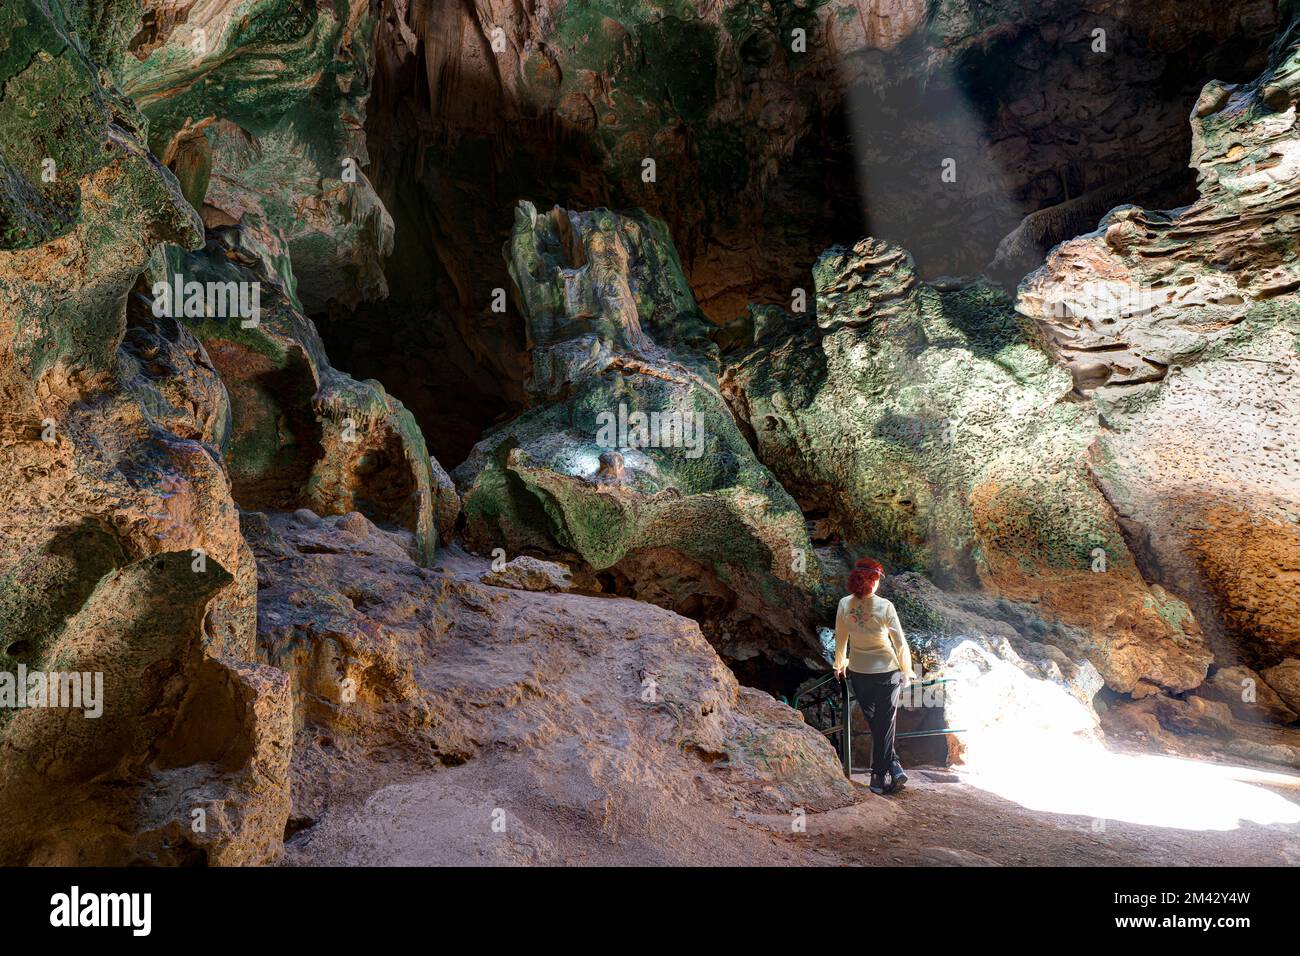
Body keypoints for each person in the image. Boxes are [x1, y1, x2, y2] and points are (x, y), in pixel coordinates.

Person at [833, 558, 915, 795]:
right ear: (874, 581)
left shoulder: (844, 605)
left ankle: (887, 771)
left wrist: (839, 664)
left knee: (877, 724)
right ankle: (883, 771)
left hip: (859, 672)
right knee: (884, 723)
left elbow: (841, 639)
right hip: (888, 671)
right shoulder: (885, 606)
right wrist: (906, 670)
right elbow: (900, 643)